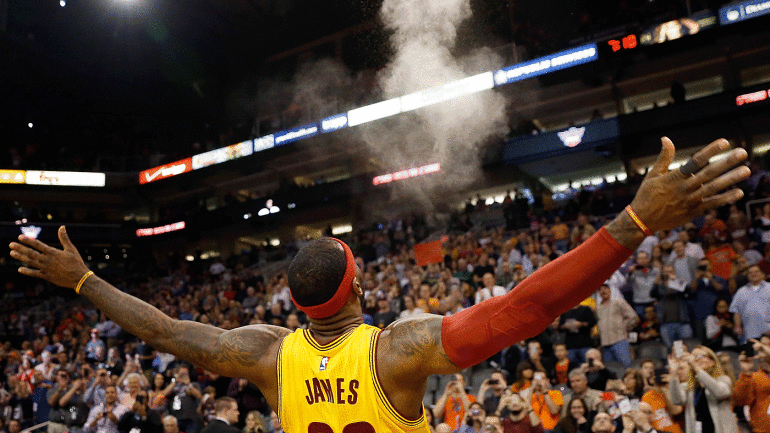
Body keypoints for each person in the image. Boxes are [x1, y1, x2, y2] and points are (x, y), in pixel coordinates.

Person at [9, 138, 750, 433]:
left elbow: (166, 331)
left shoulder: (264, 354)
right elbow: (528, 307)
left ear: (296, 305)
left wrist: (84, 280)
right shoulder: (398, 349)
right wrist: (632, 220)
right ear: (358, 285)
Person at [668, 346, 738, 433]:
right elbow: (677, 401)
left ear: (712, 361)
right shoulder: (690, 386)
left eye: (700, 356)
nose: (696, 360)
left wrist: (696, 368)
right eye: (694, 356)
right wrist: (674, 374)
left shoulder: (723, 380)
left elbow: (720, 393)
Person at [596, 284, 639, 367]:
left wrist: (624, 327)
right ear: (598, 293)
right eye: (600, 289)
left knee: (626, 366)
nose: (603, 291)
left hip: (619, 339)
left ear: (610, 290)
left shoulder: (618, 302)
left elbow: (633, 317)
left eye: (605, 288)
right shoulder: (598, 308)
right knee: (611, 368)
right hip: (605, 343)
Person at [733, 338, 770, 433]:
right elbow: (740, 400)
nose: (761, 349)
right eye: (760, 346)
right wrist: (746, 373)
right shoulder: (754, 377)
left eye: (767, 345)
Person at [730, 265, 770, 342]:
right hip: (750, 332)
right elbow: (736, 311)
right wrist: (738, 326)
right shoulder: (741, 291)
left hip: (768, 330)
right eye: (750, 272)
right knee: (752, 353)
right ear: (747, 276)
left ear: (762, 274)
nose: (753, 274)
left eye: (756, 271)